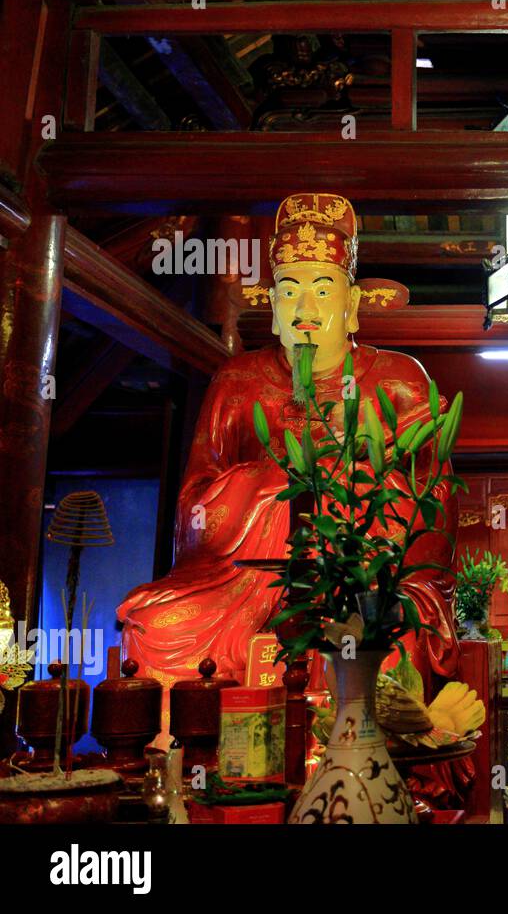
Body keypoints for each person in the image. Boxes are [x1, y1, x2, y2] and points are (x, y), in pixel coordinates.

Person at [118, 194, 458, 700]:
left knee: (376, 635)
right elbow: (193, 509)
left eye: (324, 290)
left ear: (354, 307)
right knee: (155, 626)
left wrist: (348, 504)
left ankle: (343, 757)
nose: (305, 309)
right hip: (244, 581)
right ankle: (202, 763)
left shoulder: (399, 382)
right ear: (272, 307)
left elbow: (434, 510)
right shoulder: (239, 380)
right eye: (289, 291)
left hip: (362, 573)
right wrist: (275, 485)